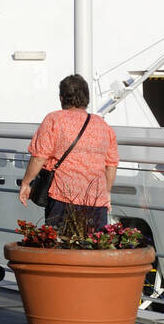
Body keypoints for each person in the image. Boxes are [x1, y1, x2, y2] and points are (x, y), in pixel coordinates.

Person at [19, 74, 119, 229]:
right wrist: (106, 193)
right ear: (86, 97)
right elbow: (111, 166)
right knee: (94, 249)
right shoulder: (103, 126)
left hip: (62, 197)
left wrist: (26, 183)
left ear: (61, 98)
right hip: (96, 201)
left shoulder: (54, 119)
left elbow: (39, 156)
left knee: (61, 247)